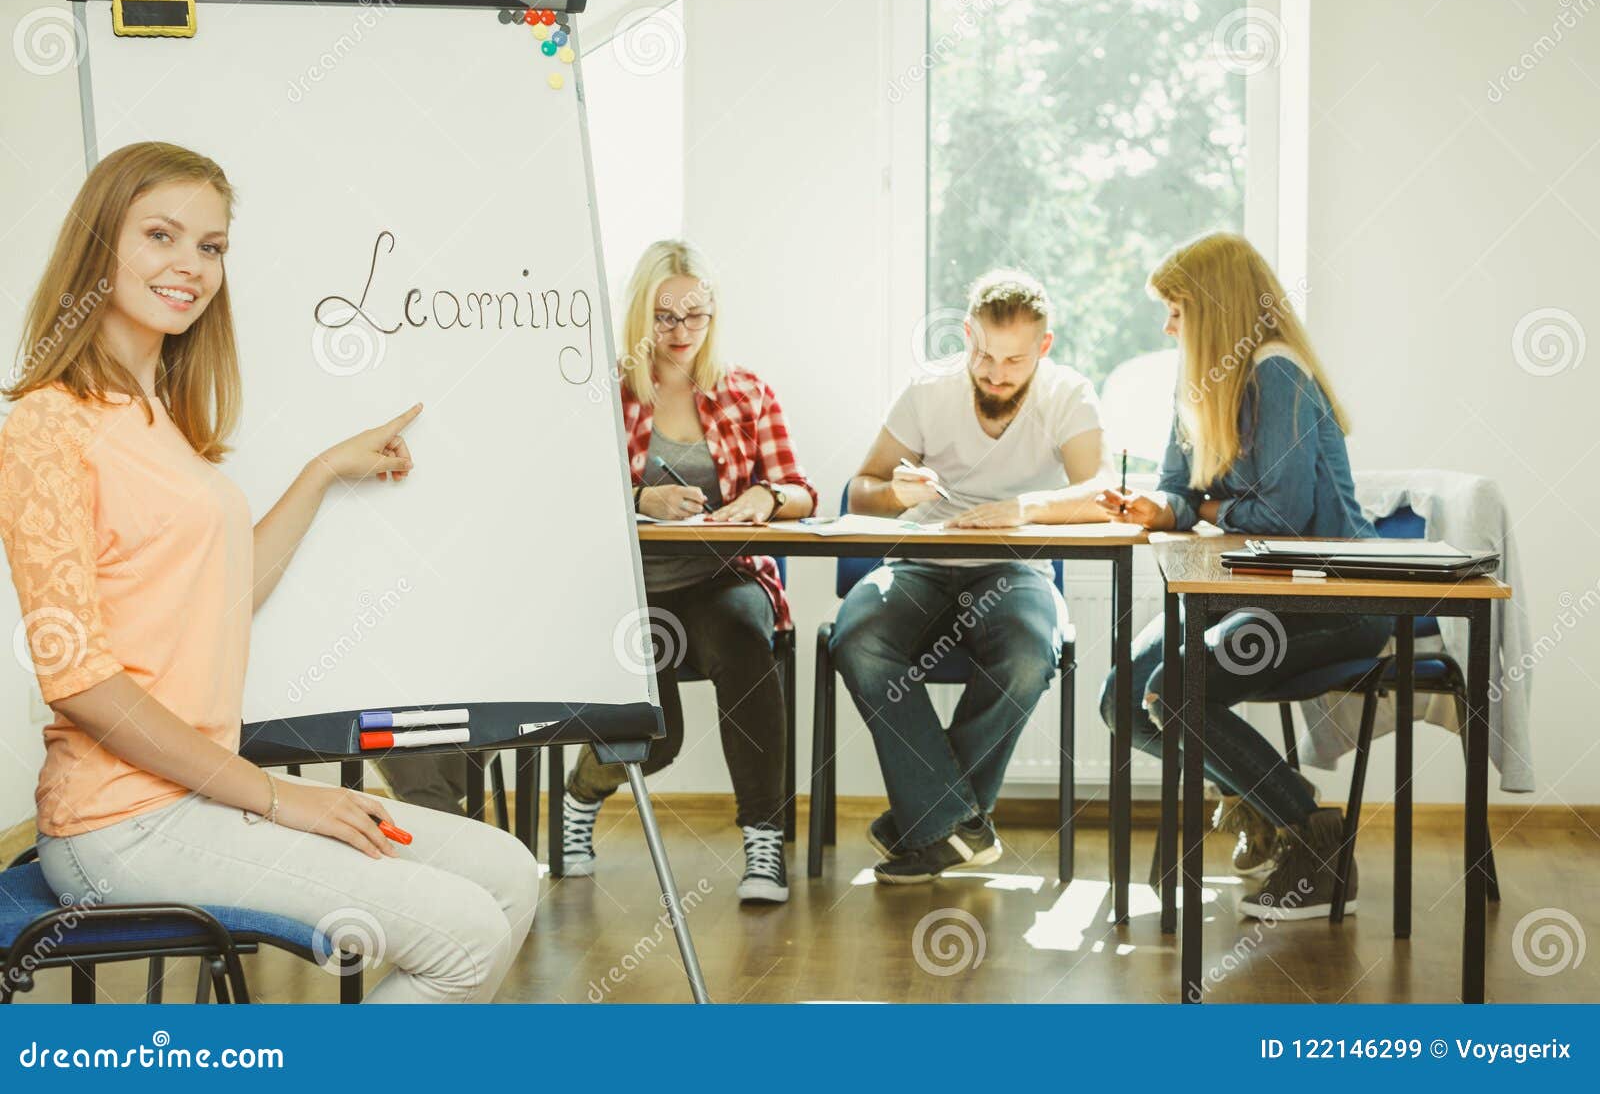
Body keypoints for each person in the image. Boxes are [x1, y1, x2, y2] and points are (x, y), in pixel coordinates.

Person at [0, 141, 538, 1001]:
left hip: (198, 796)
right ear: (99, 244)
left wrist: (321, 471)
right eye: (161, 235)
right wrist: (279, 797)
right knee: (466, 936)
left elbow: (223, 596)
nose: (191, 264)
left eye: (211, 246)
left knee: (509, 873)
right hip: (121, 823)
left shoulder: (157, 417)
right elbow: (81, 682)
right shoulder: (46, 425)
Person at [1095, 231, 1389, 921]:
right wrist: (1161, 506)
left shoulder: (1277, 372)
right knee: (1122, 700)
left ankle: (1316, 842)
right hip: (1254, 594)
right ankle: (1270, 802)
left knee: (1174, 692)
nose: (1168, 327)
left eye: (1177, 311)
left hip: (1338, 600)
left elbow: (1283, 517)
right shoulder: (1198, 381)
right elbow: (1178, 486)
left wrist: (1201, 507)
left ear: (1215, 309)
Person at [560, 240, 817, 904]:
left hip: (722, 579)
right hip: (633, 589)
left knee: (745, 640)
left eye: (695, 315)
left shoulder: (746, 391)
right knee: (660, 737)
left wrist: (763, 497)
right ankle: (582, 792)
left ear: (714, 314)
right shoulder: (607, 390)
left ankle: (763, 839)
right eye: (665, 316)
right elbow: (566, 492)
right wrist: (640, 498)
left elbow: (800, 490)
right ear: (640, 314)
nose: (680, 331)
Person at [832, 269, 1106, 884]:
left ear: (1044, 346)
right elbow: (860, 491)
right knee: (857, 639)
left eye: (1014, 360)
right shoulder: (927, 391)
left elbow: (1100, 492)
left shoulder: (1068, 395)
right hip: (920, 561)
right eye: (983, 355)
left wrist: (1023, 509)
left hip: (1015, 567)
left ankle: (923, 824)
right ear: (965, 336)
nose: (995, 374)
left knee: (1029, 655)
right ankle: (954, 825)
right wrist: (897, 494)